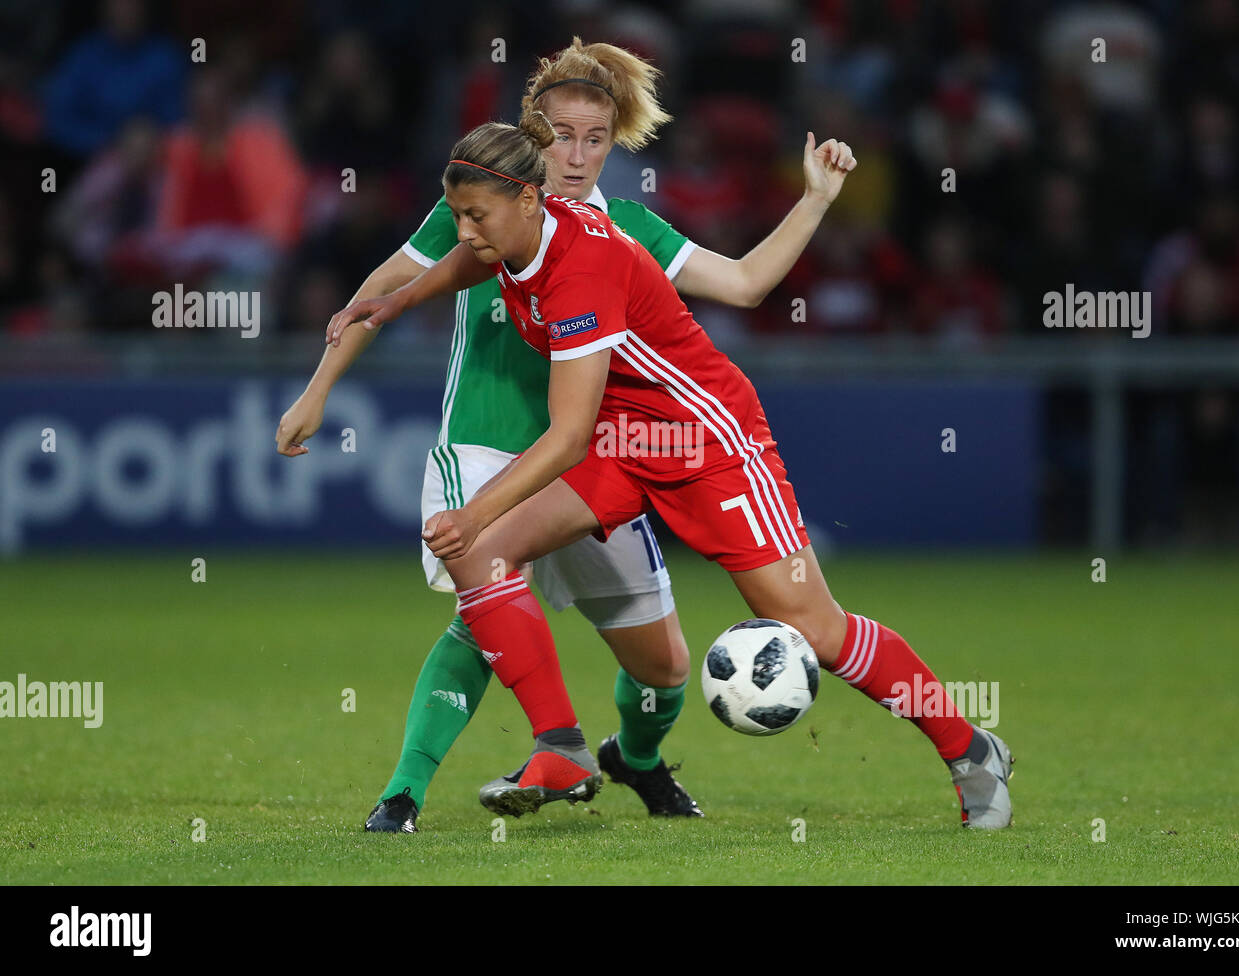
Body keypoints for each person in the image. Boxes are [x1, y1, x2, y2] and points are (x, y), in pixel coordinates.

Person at [324, 113, 1016, 829]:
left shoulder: (581, 272)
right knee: (482, 556)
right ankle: (560, 745)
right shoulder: (529, 225)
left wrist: (473, 509)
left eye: (474, 215)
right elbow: (480, 258)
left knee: (813, 627)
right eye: (458, 215)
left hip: (707, 441)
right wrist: (399, 299)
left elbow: (564, 437)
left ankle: (971, 751)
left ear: (527, 202)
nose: (463, 231)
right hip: (623, 441)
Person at [276, 38, 860, 831]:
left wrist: (816, 197)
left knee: (664, 667)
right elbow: (384, 289)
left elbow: (748, 283)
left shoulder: (625, 231)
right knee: (480, 606)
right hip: (486, 444)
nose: (577, 157)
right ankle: (407, 793)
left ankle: (639, 762)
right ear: (532, 132)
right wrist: (319, 388)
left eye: (597, 140)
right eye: (561, 137)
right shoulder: (481, 198)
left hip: (589, 457)